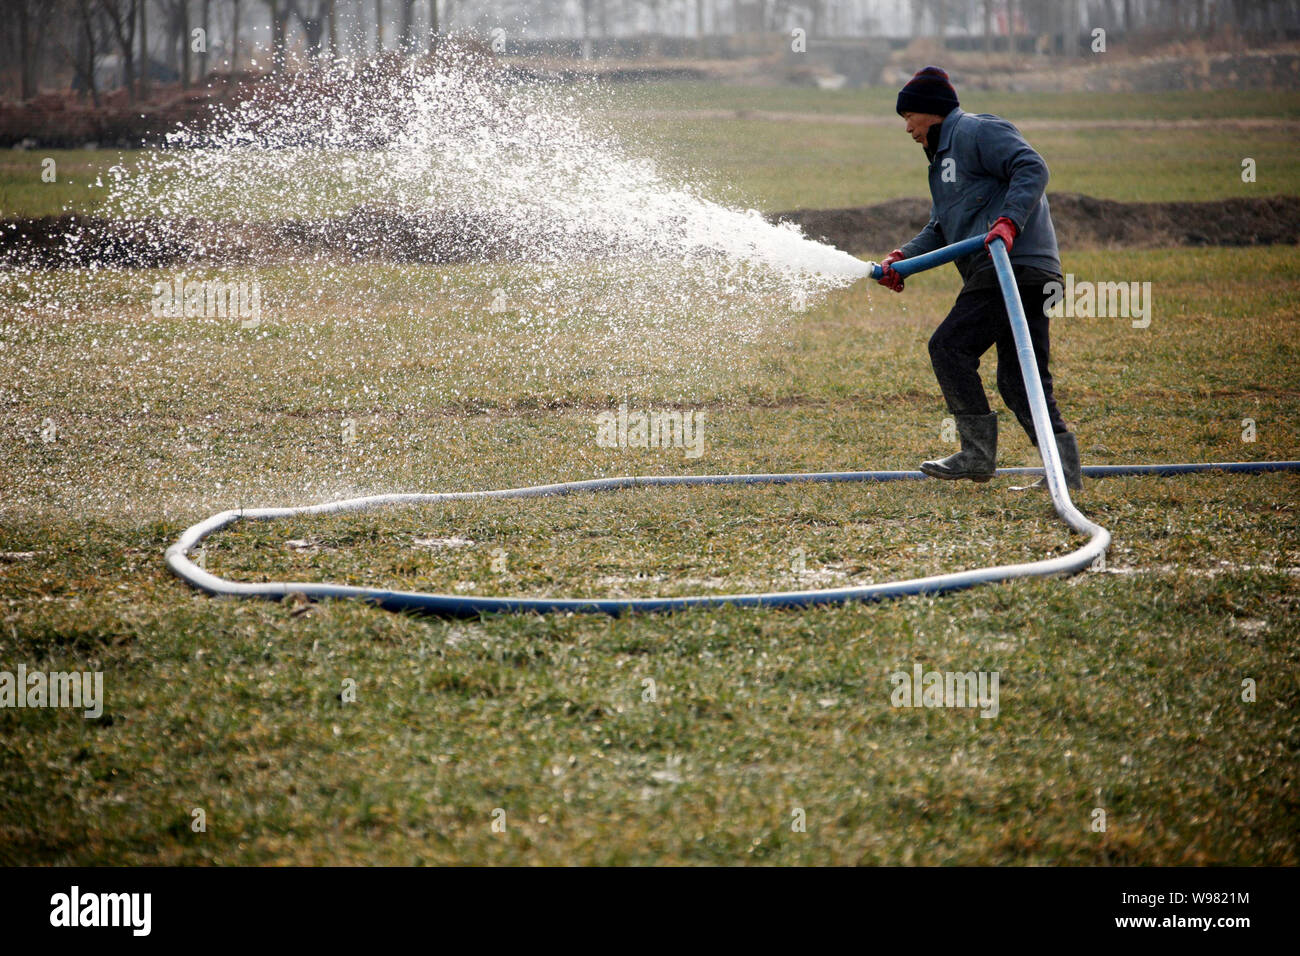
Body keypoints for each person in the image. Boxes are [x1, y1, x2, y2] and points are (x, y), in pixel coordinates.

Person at [878, 66, 1082, 490]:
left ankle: (976, 453)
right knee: (1019, 380)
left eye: (908, 118)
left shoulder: (975, 131)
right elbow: (941, 228)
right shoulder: (941, 161)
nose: (907, 129)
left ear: (930, 112)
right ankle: (1065, 475)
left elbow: (1032, 166)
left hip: (1015, 267)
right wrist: (903, 260)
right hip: (1018, 274)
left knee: (949, 346)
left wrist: (1008, 222)